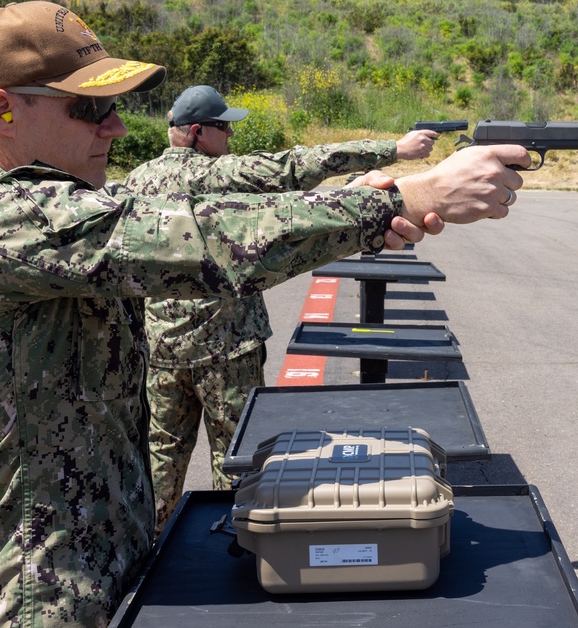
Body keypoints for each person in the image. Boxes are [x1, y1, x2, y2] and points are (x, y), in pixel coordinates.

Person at [0, 0, 527, 628]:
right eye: (90, 109)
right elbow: (199, 241)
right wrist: (410, 195)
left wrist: (348, 204)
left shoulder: (40, 207)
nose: (116, 128)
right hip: (35, 596)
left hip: (95, 563)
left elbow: (166, 223)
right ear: (2, 109)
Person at [125, 85, 441, 529]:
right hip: (226, 352)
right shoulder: (220, 174)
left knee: (160, 454)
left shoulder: (137, 180)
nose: (230, 137)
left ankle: (149, 547)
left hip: (161, 353)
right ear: (198, 132)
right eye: (224, 128)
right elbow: (300, 164)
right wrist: (392, 149)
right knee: (238, 457)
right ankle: (233, 545)